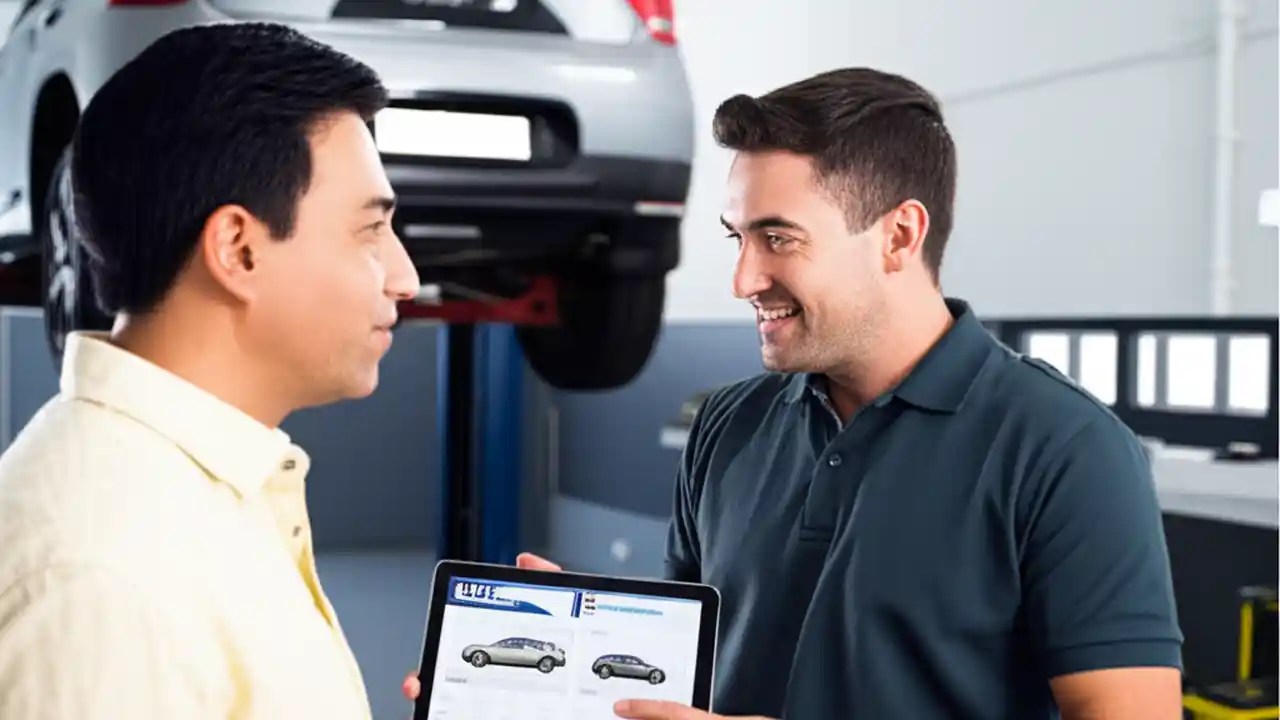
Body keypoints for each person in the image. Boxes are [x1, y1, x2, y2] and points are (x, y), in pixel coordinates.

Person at [410, 67, 1185, 720]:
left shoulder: (1066, 450)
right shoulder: (727, 422)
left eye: (778, 238)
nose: (744, 279)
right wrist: (576, 658)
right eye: (736, 237)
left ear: (899, 236)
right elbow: (687, 674)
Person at [0, 22, 419, 719]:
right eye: (371, 231)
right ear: (238, 249)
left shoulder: (193, 491)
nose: (405, 277)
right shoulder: (101, 577)